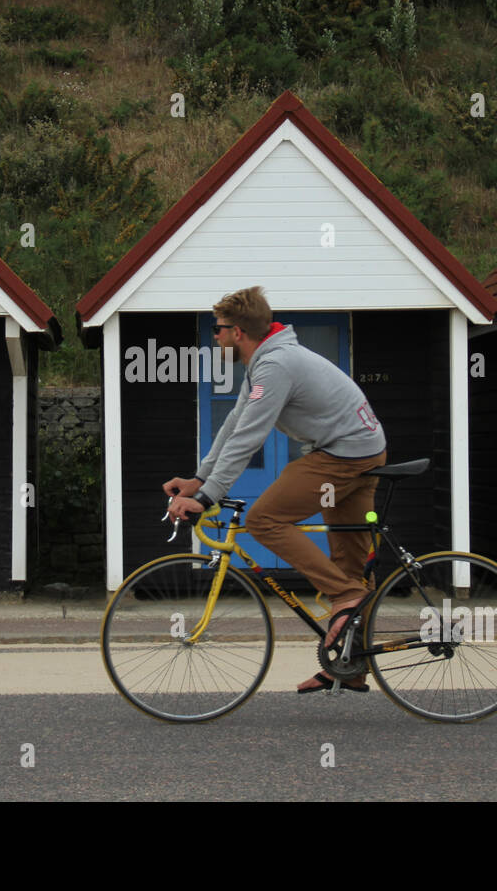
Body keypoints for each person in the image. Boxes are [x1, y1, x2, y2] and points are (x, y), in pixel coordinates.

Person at [163, 287, 387, 693]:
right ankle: (350, 666)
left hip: (344, 456)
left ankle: (347, 597)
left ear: (238, 332)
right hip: (363, 452)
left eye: (219, 329)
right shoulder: (266, 361)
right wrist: (199, 480)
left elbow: (249, 437)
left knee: (265, 520)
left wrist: (205, 497)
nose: (215, 337)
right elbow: (234, 422)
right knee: (349, 565)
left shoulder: (276, 365)